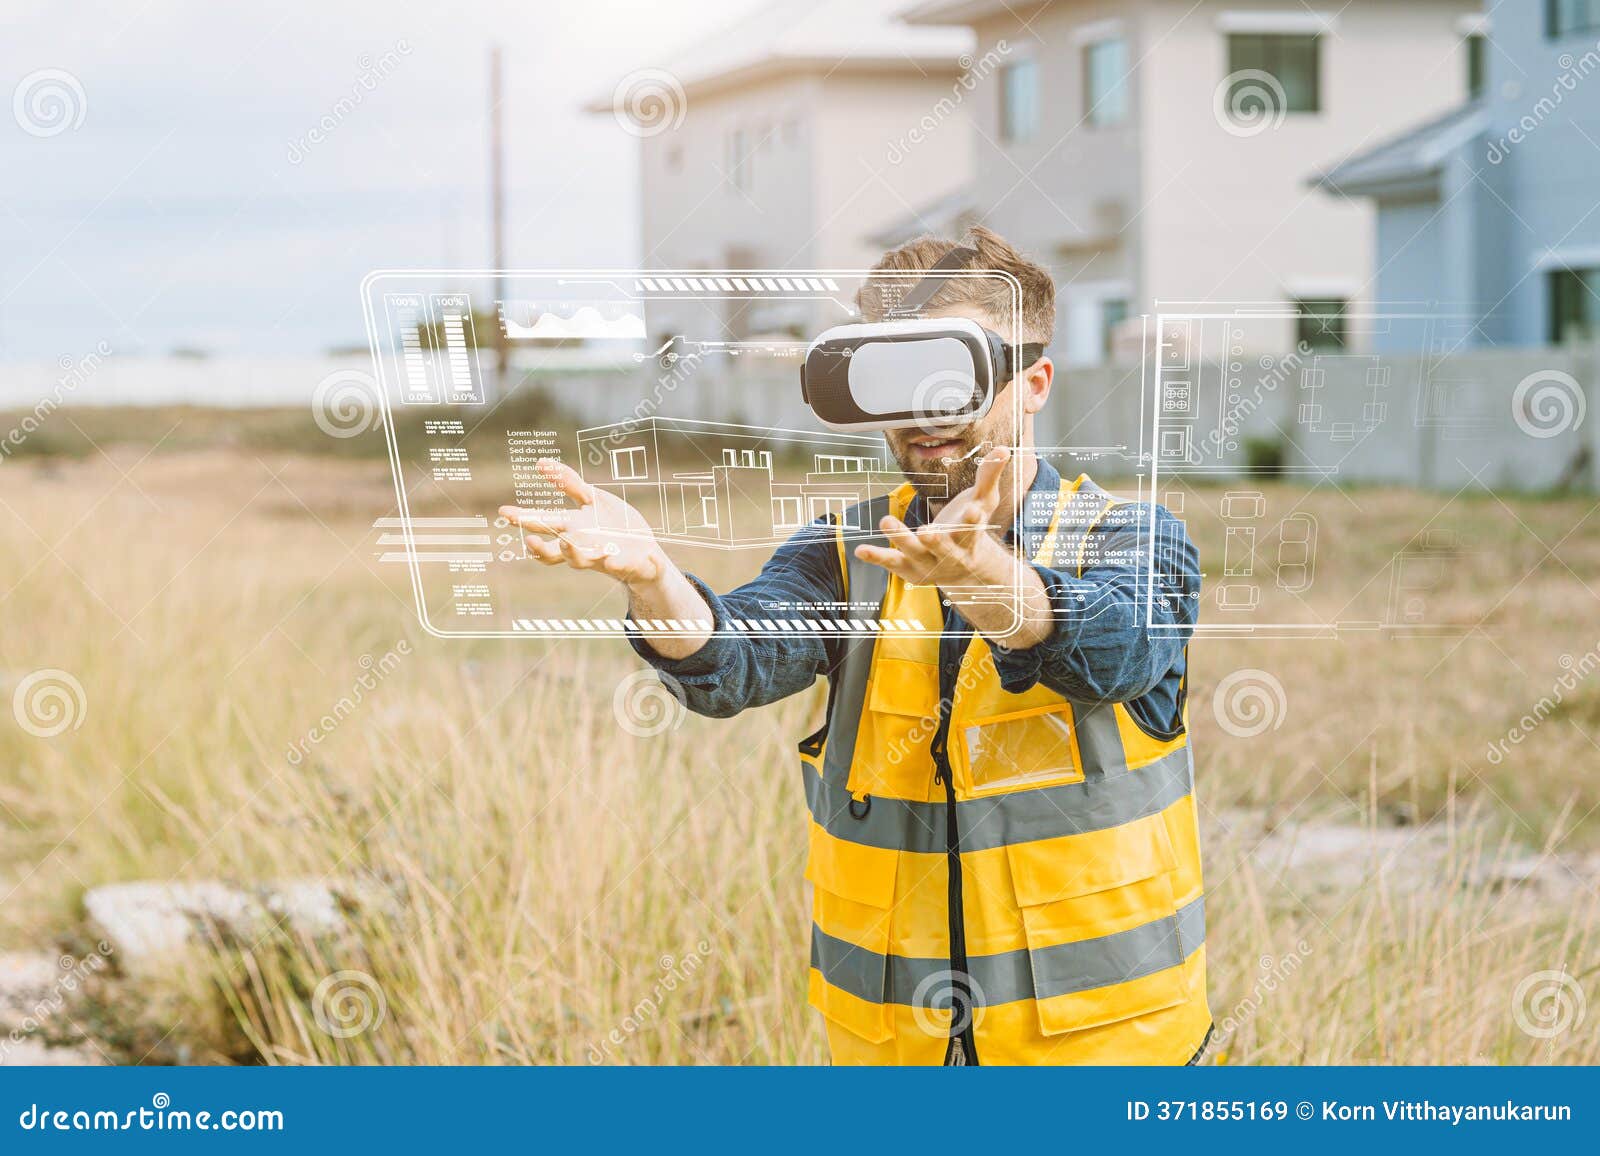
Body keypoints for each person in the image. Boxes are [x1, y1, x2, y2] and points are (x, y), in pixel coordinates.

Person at [500, 227, 1209, 1065]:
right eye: (892, 378)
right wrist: (653, 579)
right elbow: (732, 660)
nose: (923, 414)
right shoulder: (844, 553)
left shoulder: (1130, 536)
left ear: (1033, 383)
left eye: (951, 373)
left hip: (1108, 1058)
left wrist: (986, 579)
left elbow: (1120, 649)